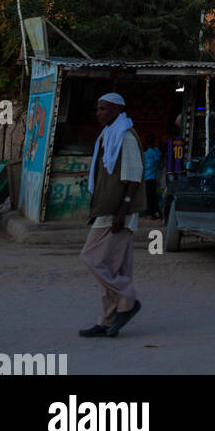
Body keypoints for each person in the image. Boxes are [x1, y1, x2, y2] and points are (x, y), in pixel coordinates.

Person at [79, 93, 145, 338]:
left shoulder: (125, 136)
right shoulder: (108, 135)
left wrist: (122, 212)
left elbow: (134, 177)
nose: (98, 112)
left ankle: (128, 300)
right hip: (108, 210)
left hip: (117, 214)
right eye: (98, 108)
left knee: (90, 257)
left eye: (104, 108)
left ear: (117, 110)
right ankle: (107, 321)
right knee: (112, 268)